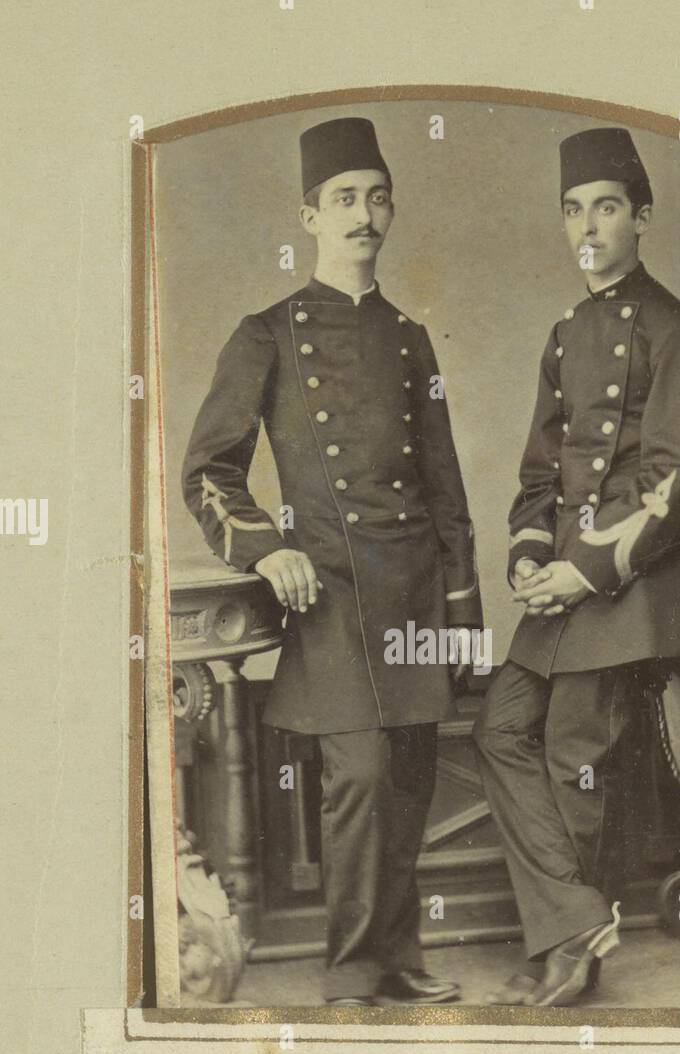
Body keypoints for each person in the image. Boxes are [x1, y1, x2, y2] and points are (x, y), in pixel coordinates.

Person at [182, 117, 481, 1006]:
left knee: (410, 780)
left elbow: (446, 490)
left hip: (415, 591)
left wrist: (461, 614)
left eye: (375, 197)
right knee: (359, 780)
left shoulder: (409, 338)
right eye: (343, 199)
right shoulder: (267, 334)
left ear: (389, 214)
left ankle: (396, 958)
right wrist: (266, 549)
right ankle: (351, 972)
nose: (362, 213)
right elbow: (208, 473)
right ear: (309, 216)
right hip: (333, 595)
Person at [472, 127, 680, 1006]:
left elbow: (671, 478)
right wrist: (532, 554)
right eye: (573, 210)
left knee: (575, 752)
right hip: (567, 585)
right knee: (498, 730)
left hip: (634, 586)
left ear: (641, 217)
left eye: (605, 207)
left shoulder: (675, 329)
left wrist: (585, 569)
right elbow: (540, 470)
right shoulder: (565, 332)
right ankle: (575, 919)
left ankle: (574, 951)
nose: (588, 227)